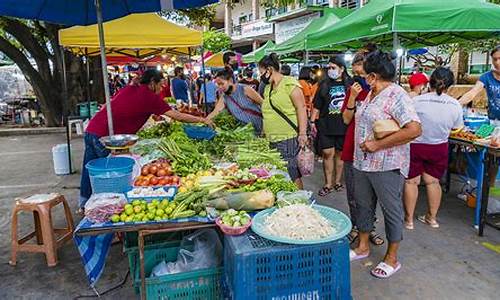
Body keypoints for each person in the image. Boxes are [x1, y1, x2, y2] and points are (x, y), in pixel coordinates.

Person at [80, 70, 213, 210]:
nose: (162, 88)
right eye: (160, 85)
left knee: (90, 167)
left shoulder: (130, 88)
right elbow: (176, 116)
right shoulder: (150, 97)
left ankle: (83, 204)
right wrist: (202, 119)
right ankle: (105, 209)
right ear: (152, 83)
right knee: (109, 175)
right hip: (107, 137)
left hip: (92, 129)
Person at [349, 50, 421, 279]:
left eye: (363, 72)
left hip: (386, 165)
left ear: (372, 75)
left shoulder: (396, 94)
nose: (360, 75)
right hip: (362, 163)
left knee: (391, 210)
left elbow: (414, 129)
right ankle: (362, 246)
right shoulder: (371, 94)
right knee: (363, 205)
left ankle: (392, 257)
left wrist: (377, 145)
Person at [404, 68, 463, 229]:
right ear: (450, 85)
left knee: (411, 182)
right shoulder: (455, 105)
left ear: (429, 82)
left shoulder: (417, 101)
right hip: (438, 147)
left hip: (415, 145)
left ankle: (409, 220)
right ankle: (432, 218)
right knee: (433, 182)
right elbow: (456, 128)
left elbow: (407, 123)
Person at [341, 49, 384, 246]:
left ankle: (369, 228)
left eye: (361, 73)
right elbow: (346, 119)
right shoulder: (354, 90)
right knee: (354, 194)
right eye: (355, 73)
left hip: (376, 150)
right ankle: (356, 227)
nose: (358, 77)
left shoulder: (382, 91)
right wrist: (352, 97)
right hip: (352, 149)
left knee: (371, 195)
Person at [258, 53, 308, 188]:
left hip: (287, 138)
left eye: (261, 72)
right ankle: (288, 200)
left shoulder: (289, 84)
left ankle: (300, 201)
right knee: (280, 173)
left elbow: (301, 108)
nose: (260, 76)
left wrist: (303, 133)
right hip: (272, 139)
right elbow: (267, 111)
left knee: (292, 173)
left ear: (269, 70)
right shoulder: (268, 88)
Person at [460, 45, 500, 186]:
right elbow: (472, 92)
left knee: (496, 154)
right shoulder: (486, 77)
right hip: (491, 122)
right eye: (495, 59)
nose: (497, 62)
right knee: (477, 143)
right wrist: (456, 103)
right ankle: (487, 186)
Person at [311, 56, 351, 196]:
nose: (330, 70)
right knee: (328, 153)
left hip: (344, 126)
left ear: (342, 69)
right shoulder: (324, 85)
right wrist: (312, 122)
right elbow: (316, 106)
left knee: (340, 155)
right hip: (325, 125)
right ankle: (328, 183)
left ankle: (338, 181)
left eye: (333, 67)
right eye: (329, 68)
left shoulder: (350, 84)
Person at [207, 67, 263, 135]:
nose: (220, 87)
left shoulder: (245, 89)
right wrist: (204, 120)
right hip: (246, 132)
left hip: (260, 127)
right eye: (218, 85)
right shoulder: (224, 97)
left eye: (222, 84)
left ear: (230, 80)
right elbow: (216, 111)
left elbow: (263, 104)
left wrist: (266, 127)